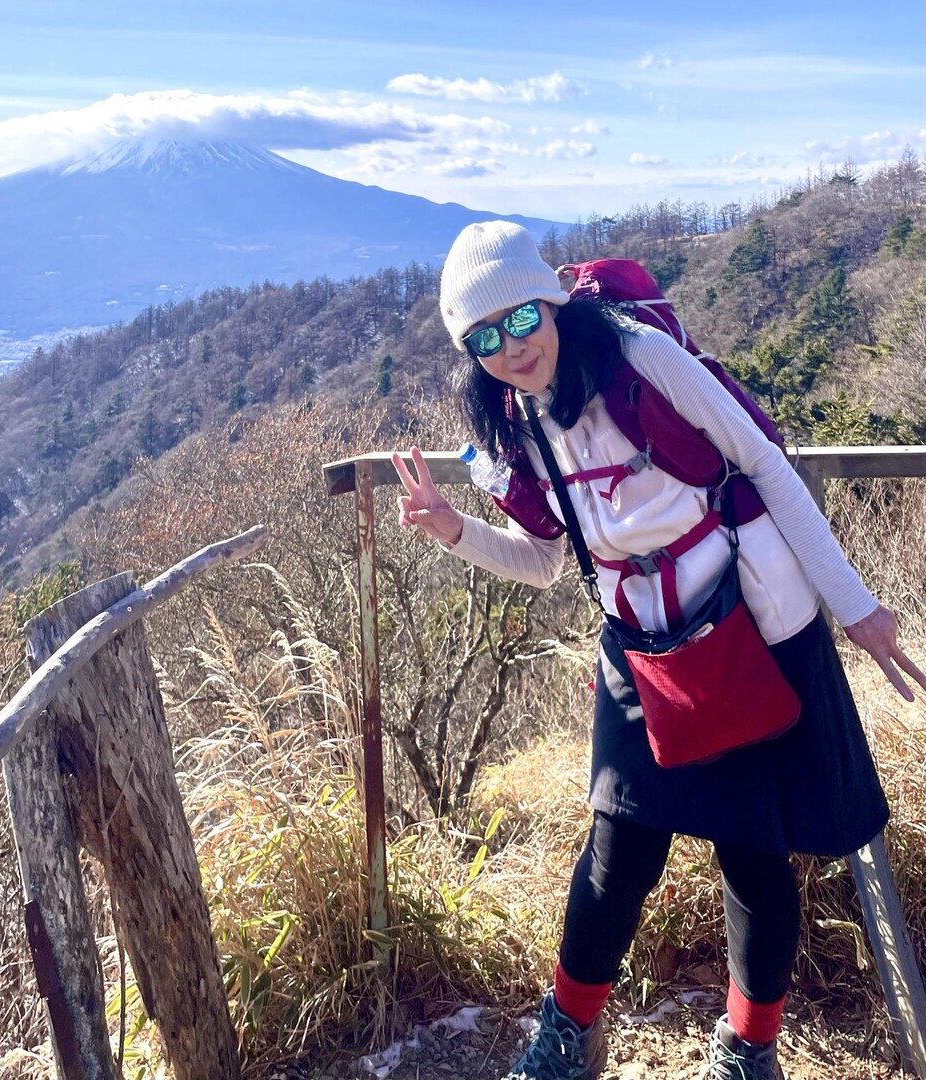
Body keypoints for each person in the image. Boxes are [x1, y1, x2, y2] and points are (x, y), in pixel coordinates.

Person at [391, 220, 926, 1080]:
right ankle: (568, 1034)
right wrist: (456, 532)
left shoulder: (643, 360)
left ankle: (749, 1049)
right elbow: (542, 561)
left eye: (521, 320)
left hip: (747, 626)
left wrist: (856, 606)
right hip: (639, 647)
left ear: (552, 301)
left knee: (753, 854)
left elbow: (766, 464)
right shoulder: (516, 419)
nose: (511, 348)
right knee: (616, 850)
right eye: (484, 338)